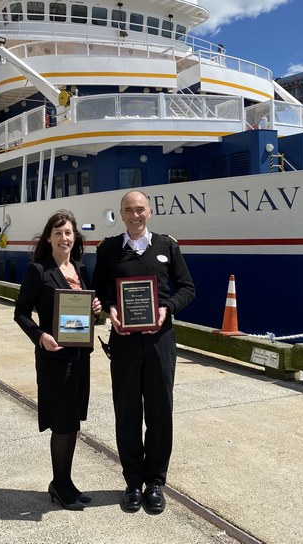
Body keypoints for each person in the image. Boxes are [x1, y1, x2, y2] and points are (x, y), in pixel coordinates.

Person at [93, 190, 195, 515]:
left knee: (160, 411)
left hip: (160, 341)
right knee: (127, 411)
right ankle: (132, 482)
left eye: (140, 209)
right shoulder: (110, 249)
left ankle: (155, 483)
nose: (135, 215)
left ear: (149, 212)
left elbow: (188, 288)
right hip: (123, 340)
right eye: (128, 210)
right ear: (121, 215)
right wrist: (111, 311)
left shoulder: (167, 246)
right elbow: (100, 290)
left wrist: (166, 308)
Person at [14, 210, 102, 511]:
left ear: (74, 237)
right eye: (58, 232)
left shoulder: (79, 269)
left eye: (68, 233)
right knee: (62, 425)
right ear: (49, 238)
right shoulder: (39, 271)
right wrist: (40, 336)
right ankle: (59, 485)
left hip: (80, 355)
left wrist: (95, 309)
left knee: (73, 422)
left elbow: (86, 313)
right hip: (54, 358)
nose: (64, 238)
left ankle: (65, 482)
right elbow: (21, 313)